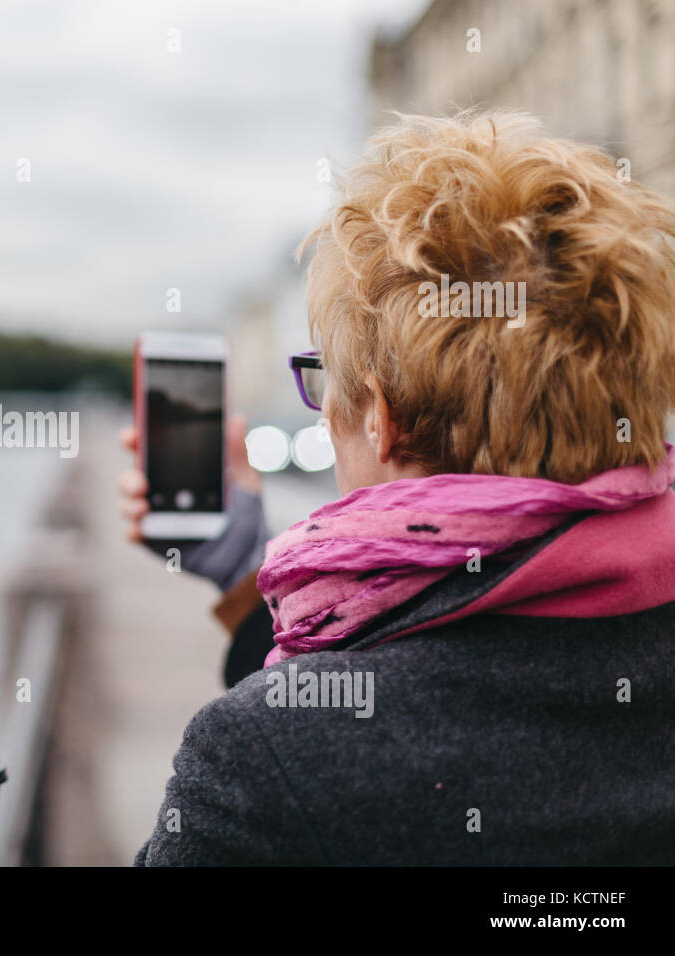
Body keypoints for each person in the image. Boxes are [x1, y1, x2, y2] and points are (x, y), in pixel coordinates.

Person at [121, 111, 675, 865]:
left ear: (379, 418)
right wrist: (243, 574)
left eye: (326, 386)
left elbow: (372, 708)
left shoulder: (260, 763)